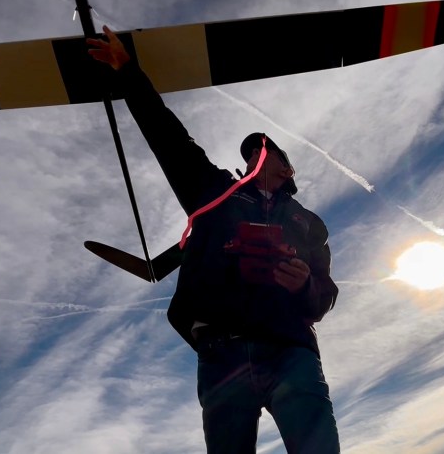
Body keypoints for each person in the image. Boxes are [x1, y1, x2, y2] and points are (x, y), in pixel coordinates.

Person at [88, 27, 340, 454]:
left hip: (290, 351)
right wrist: (128, 72)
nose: (254, 157)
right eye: (249, 154)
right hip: (222, 353)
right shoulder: (214, 193)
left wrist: (305, 285)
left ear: (287, 169)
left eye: (266, 151)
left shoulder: (308, 223)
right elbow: (171, 140)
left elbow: (325, 296)